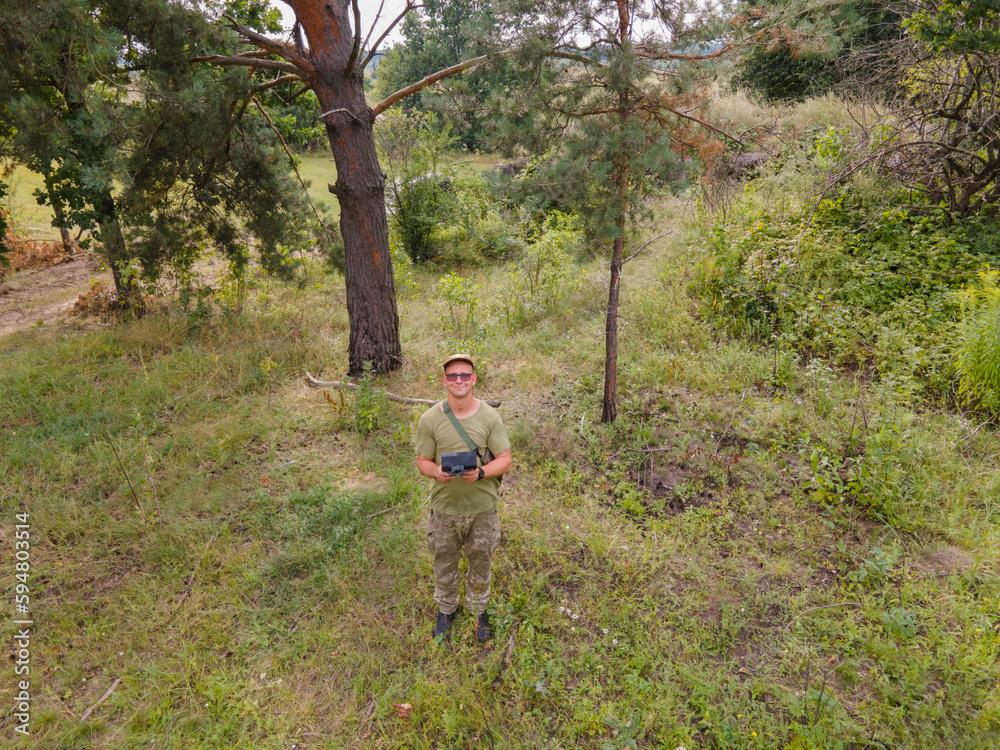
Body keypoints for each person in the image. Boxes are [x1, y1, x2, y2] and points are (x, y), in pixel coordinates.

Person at [415, 354, 512, 643]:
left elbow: (505, 460)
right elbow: (422, 461)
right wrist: (436, 471)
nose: (459, 380)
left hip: (482, 509)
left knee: (481, 560)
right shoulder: (430, 419)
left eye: (464, 375)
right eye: (453, 376)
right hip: (445, 509)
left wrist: (481, 472)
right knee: (444, 562)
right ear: (445, 380)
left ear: (473, 380)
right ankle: (446, 609)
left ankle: (478, 609)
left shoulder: (489, 416)